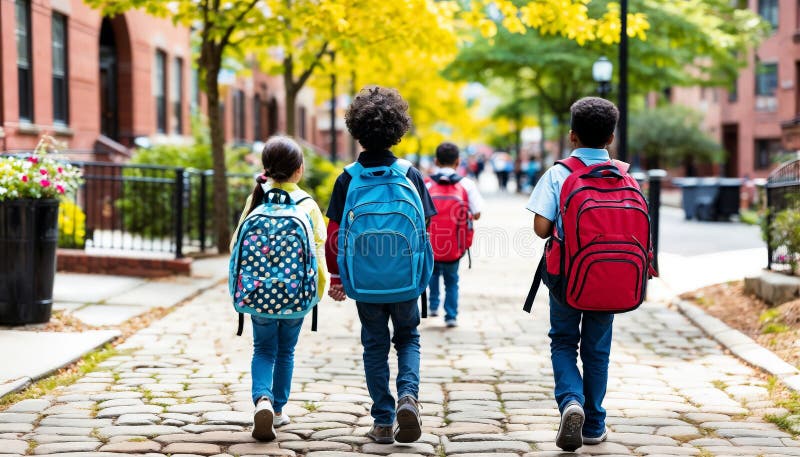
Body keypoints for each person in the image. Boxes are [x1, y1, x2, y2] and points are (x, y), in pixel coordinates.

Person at [325, 86, 437, 445]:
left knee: (374, 345)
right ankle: (408, 396)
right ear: (398, 131)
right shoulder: (410, 174)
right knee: (408, 338)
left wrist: (337, 276)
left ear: (356, 132)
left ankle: (383, 420)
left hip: (365, 281)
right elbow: (426, 226)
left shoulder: (347, 178)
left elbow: (333, 233)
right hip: (406, 279)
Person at [526, 97, 619, 452]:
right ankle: (594, 424)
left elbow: (541, 228)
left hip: (566, 276)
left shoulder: (559, 174)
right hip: (611, 278)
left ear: (571, 136)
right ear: (610, 138)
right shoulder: (624, 175)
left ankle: (570, 402)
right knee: (598, 350)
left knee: (564, 341)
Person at [230, 136, 328, 442]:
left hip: (258, 295)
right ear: (299, 171)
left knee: (263, 349)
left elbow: (235, 246)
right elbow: (318, 251)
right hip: (294, 295)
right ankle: (279, 409)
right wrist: (317, 292)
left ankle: (262, 400)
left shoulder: (256, 199)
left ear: (265, 168)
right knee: (286, 351)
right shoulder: (308, 205)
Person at [427, 142, 483, 327]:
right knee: (452, 280)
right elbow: (476, 214)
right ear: (458, 162)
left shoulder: (426, 184)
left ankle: (433, 306)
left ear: (436, 161)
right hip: (454, 244)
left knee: (432, 274)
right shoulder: (466, 184)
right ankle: (450, 316)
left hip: (430, 243)